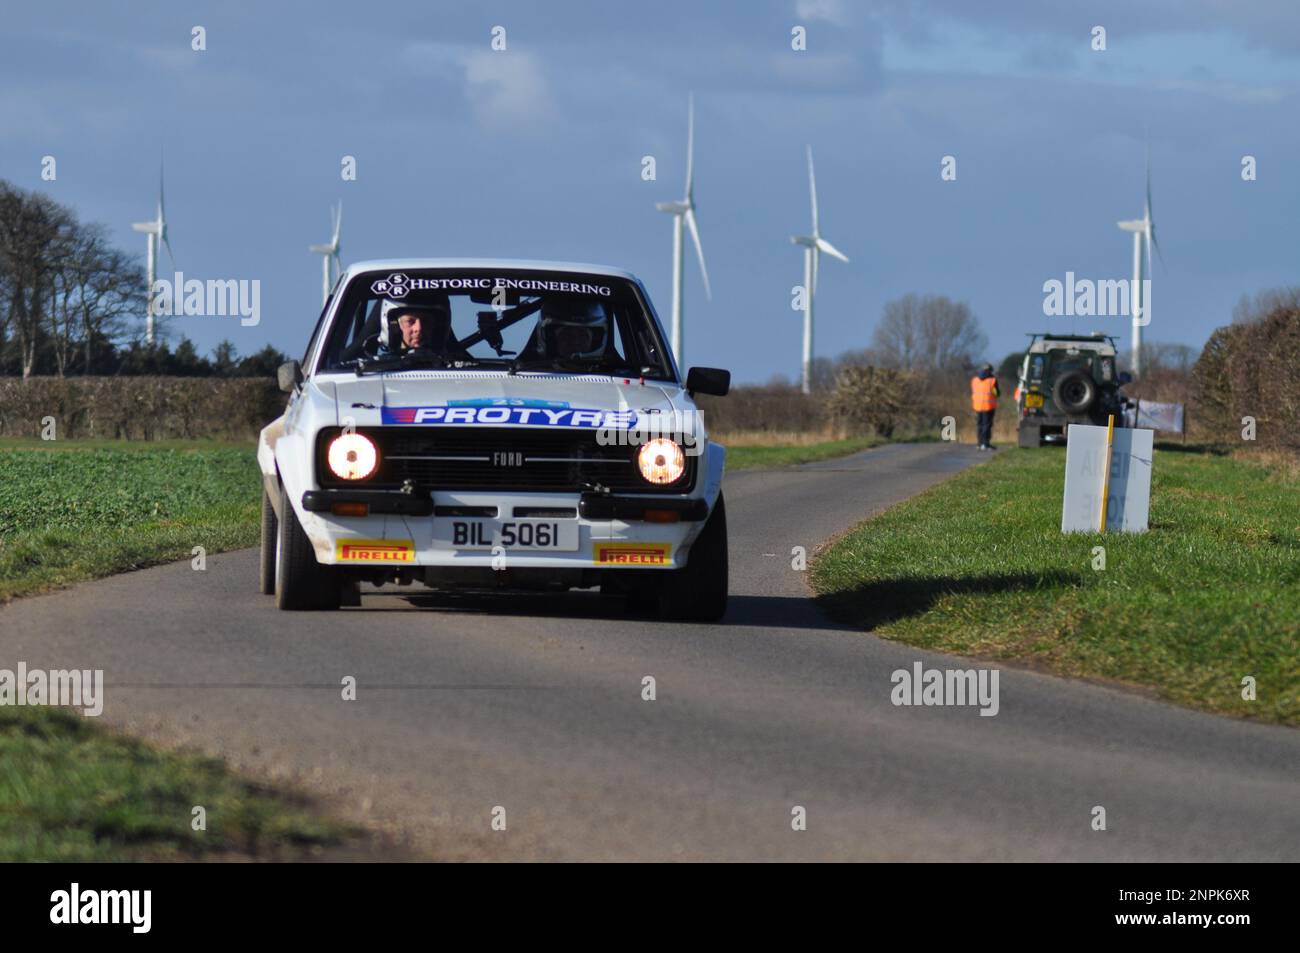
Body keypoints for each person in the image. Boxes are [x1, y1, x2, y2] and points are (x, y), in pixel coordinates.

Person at [970, 362, 999, 451]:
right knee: (987, 425)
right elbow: (997, 393)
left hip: (977, 406)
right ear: (990, 371)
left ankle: (979, 443)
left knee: (979, 425)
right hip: (988, 406)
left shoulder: (975, 380)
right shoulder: (992, 380)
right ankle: (985, 444)